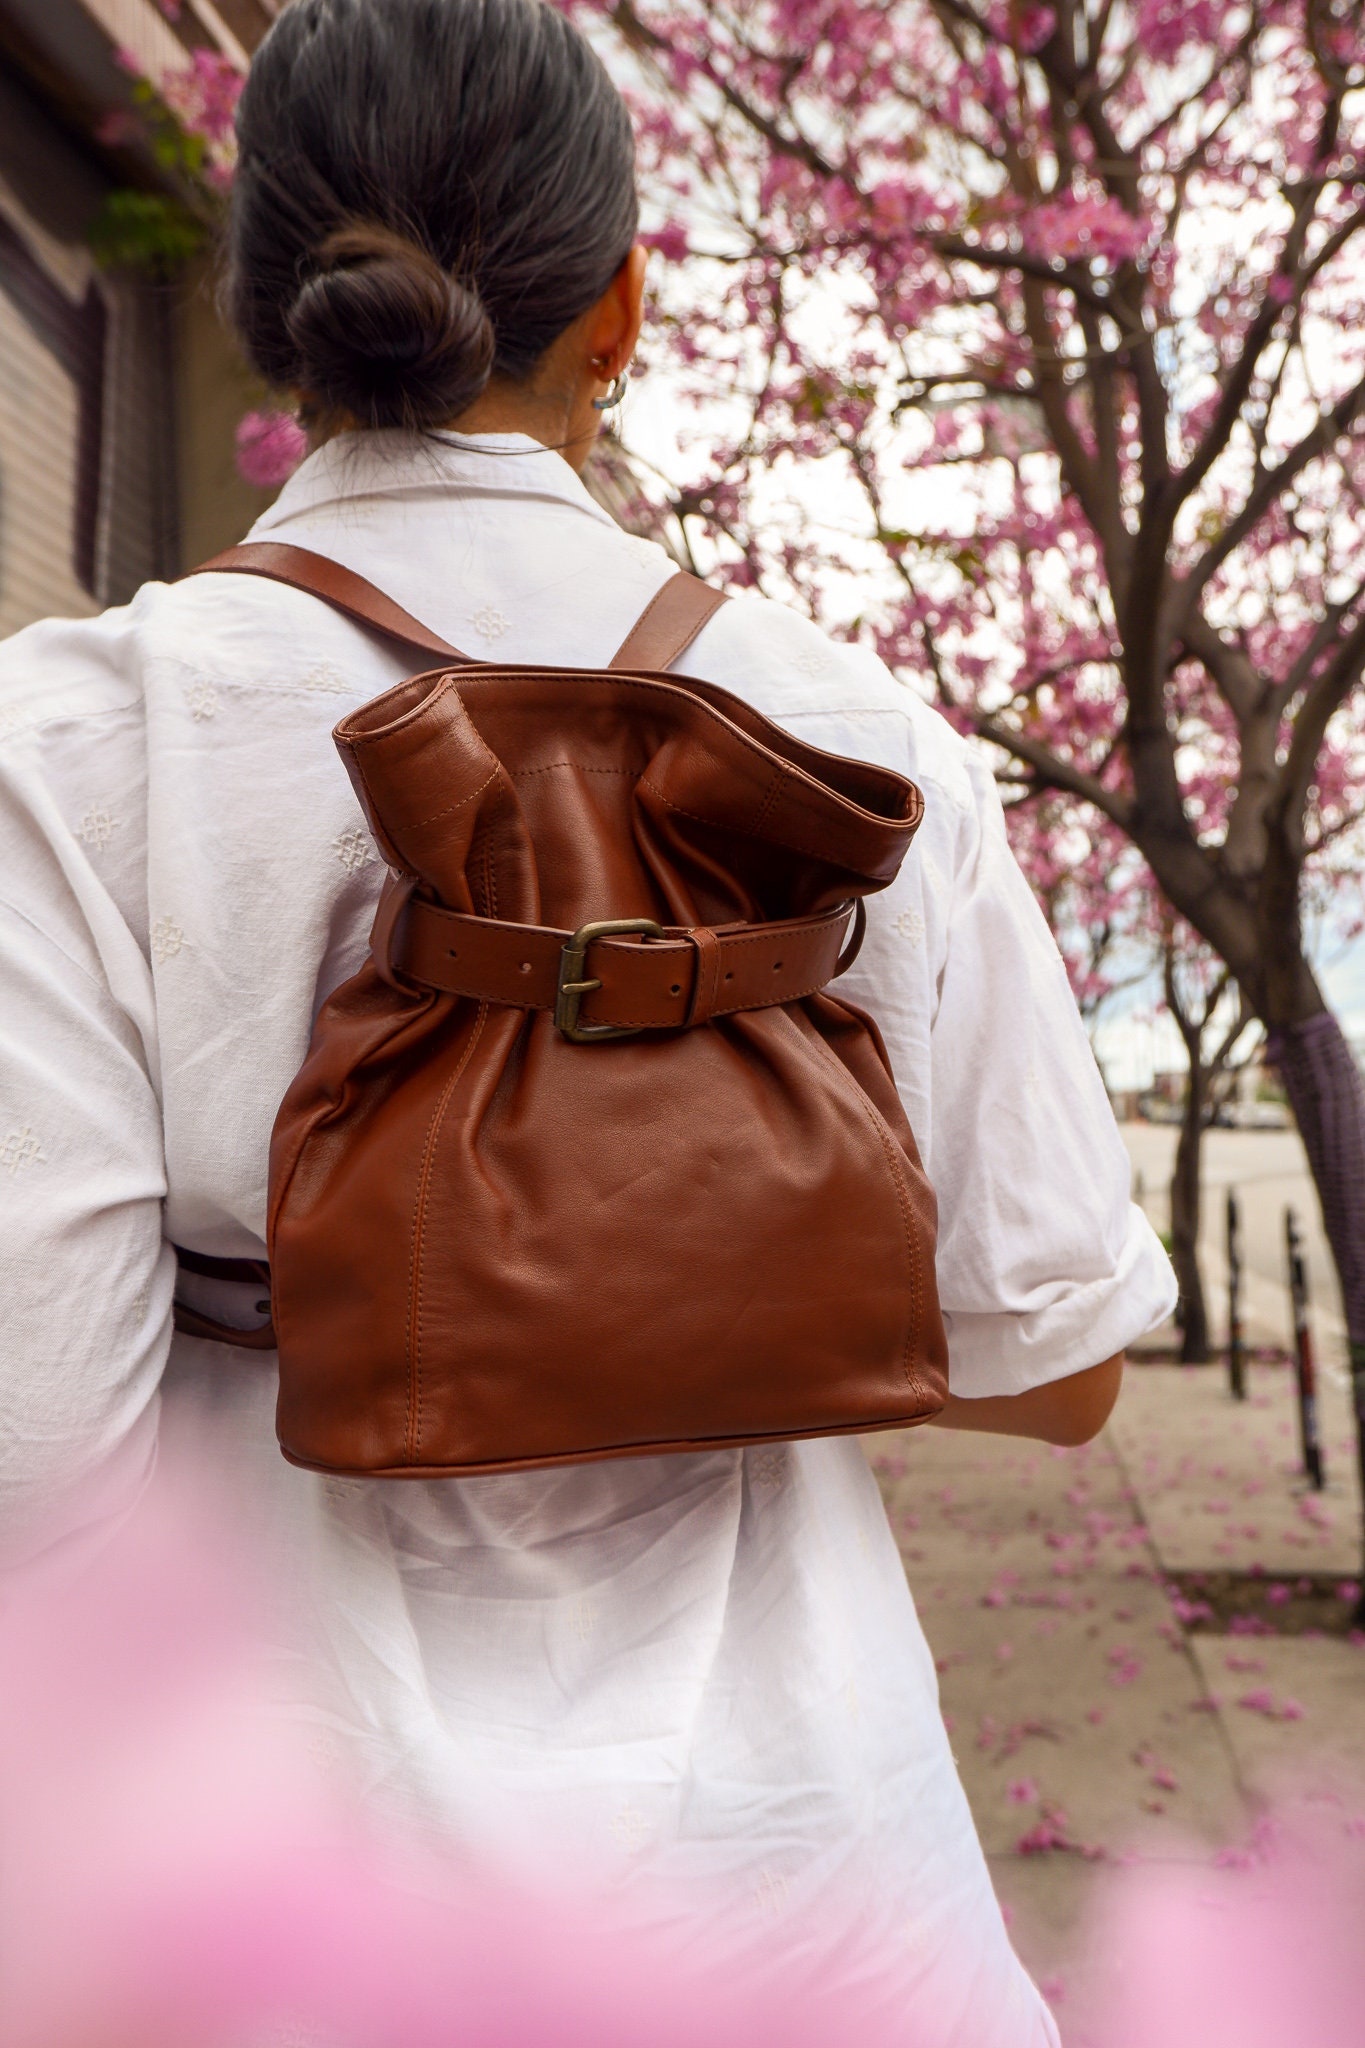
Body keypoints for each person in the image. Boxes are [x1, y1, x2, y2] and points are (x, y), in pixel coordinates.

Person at [0, 0, 1174, 2037]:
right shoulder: (858, 736)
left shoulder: (69, 743)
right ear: (622, 300)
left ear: (279, 309)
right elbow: (1055, 1359)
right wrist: (697, 1273)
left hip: (278, 1909)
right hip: (801, 1915)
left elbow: (41, 1463)